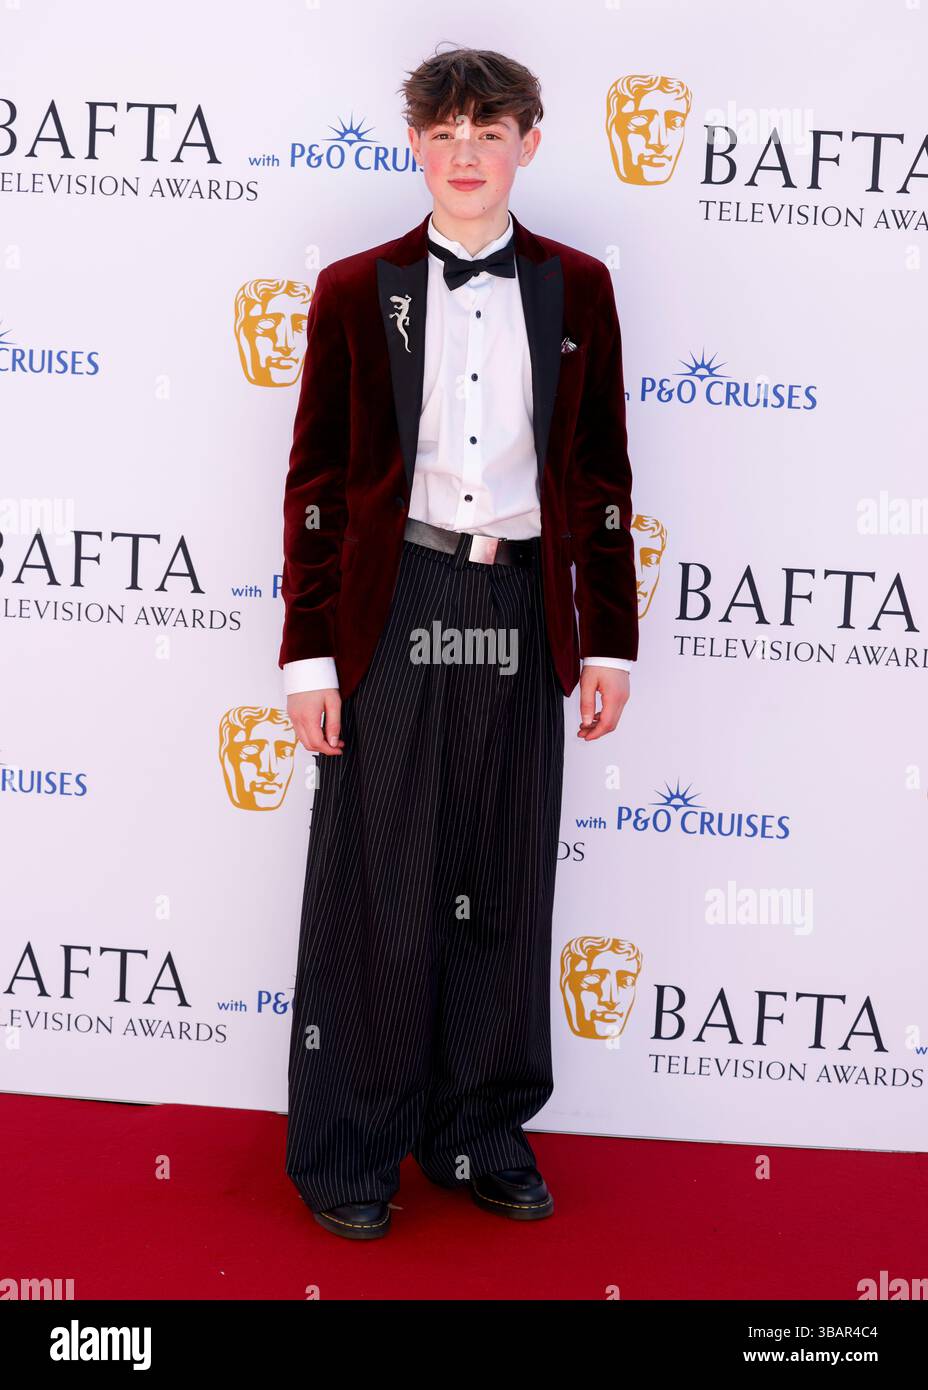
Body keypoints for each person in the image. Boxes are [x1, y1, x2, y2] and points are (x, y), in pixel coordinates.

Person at [278, 46, 639, 1240]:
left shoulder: (577, 288)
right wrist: (310, 654)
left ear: (528, 143)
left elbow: (596, 478)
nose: (467, 154)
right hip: (399, 607)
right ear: (416, 147)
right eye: (445, 134)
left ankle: (479, 1129)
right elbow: (317, 483)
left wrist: (610, 643)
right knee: (379, 887)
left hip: (522, 608)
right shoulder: (352, 288)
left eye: (490, 132)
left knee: (501, 881)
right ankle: (350, 1145)